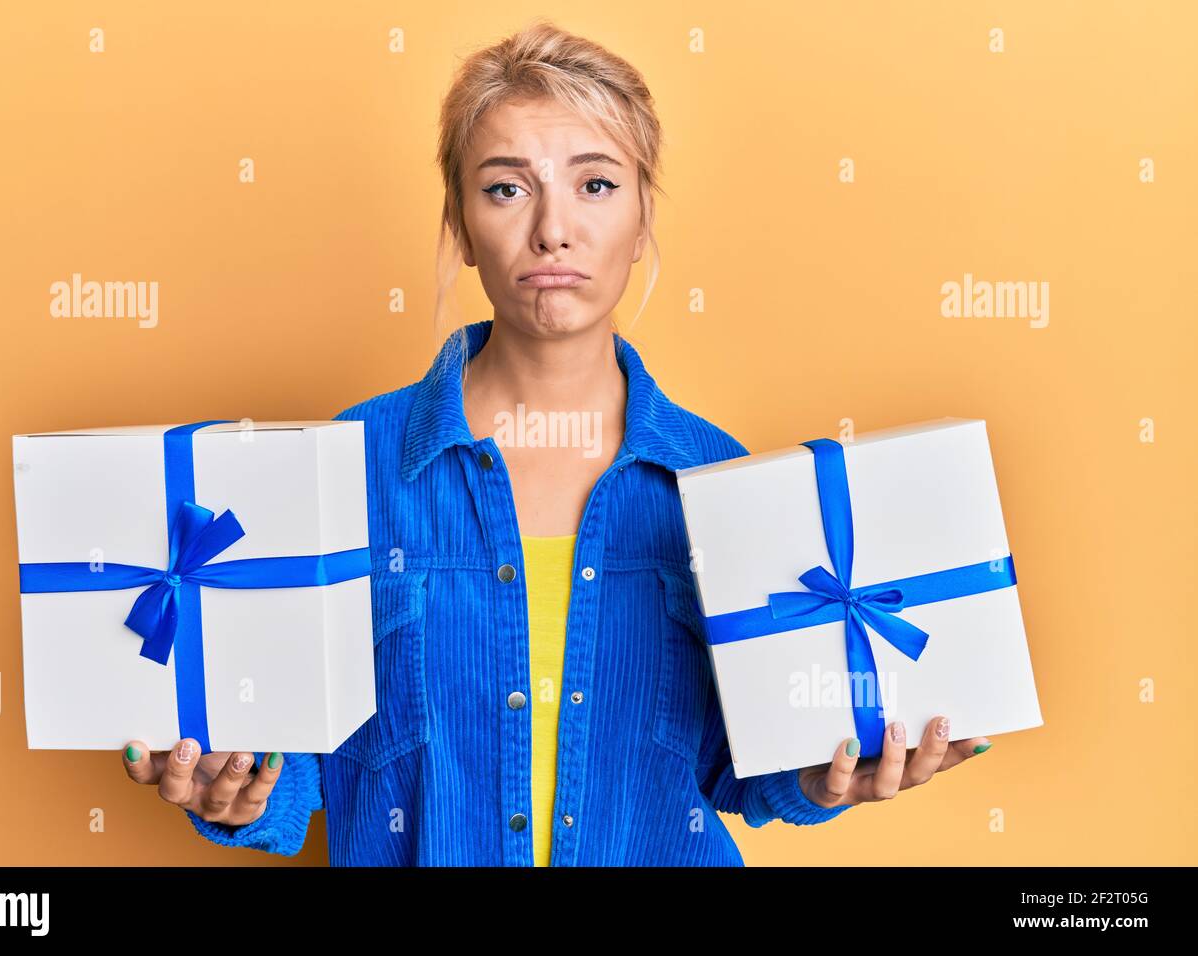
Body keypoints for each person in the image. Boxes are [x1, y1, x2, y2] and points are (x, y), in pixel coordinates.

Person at [120, 20, 992, 866]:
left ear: (645, 216)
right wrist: (240, 796)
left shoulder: (718, 476)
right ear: (460, 224)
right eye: (506, 187)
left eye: (596, 185)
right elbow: (297, 773)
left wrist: (823, 773)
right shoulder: (343, 465)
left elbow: (745, 773)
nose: (551, 230)